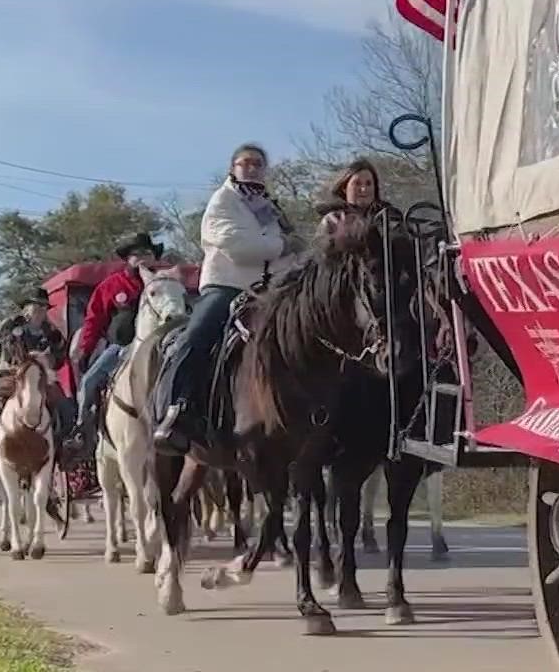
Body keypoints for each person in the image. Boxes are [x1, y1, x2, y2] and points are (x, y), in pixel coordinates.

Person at [151, 143, 291, 457]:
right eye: (246, 163)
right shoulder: (222, 201)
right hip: (226, 287)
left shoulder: (269, 207)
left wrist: (280, 250)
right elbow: (238, 248)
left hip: (268, 292)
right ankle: (176, 412)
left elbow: (284, 249)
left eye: (259, 163)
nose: (253, 168)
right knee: (196, 337)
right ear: (233, 168)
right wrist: (278, 244)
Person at [73, 231, 163, 436]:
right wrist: (84, 350)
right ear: (128, 259)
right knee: (89, 382)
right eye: (137, 254)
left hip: (159, 347)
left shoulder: (164, 283)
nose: (142, 258)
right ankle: (83, 428)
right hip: (120, 348)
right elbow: (94, 320)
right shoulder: (111, 285)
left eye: (147, 253)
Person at [0, 289, 76, 442]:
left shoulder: (52, 332)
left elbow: (61, 354)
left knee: (67, 411)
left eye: (43, 307)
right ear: (26, 308)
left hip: (42, 377)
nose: (40, 311)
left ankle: (60, 448)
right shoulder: (8, 325)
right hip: (10, 374)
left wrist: (49, 362)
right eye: (36, 306)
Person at [318, 157, 404, 235]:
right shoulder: (333, 220)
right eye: (357, 183)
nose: (363, 189)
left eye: (368, 184)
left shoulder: (389, 217)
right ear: (344, 188)